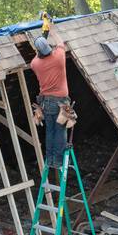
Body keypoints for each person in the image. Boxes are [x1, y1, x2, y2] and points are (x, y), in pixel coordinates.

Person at [31, 36, 70, 177]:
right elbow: (60, 42)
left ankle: (50, 159)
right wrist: (49, 30)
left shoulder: (35, 64)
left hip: (45, 103)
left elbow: (38, 56)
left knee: (50, 131)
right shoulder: (59, 57)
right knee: (60, 130)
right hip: (61, 102)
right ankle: (58, 161)